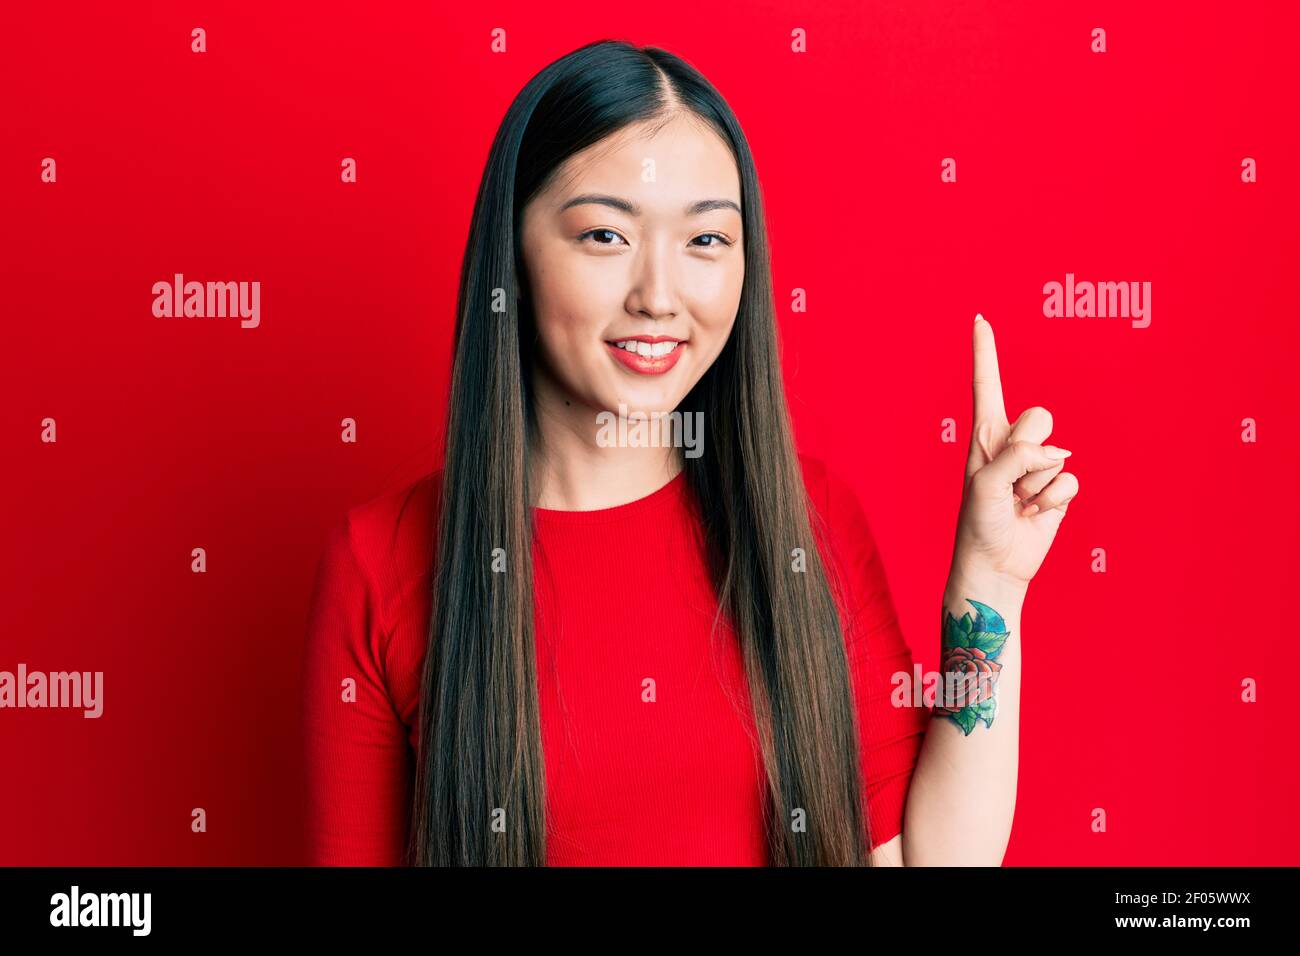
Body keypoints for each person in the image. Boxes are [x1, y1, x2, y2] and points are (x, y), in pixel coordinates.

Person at [301, 39, 1080, 867]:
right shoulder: (379, 566)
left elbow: (931, 861)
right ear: (514, 261)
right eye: (605, 235)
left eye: (706, 241)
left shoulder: (806, 522)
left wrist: (989, 580)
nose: (659, 296)